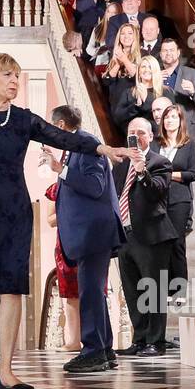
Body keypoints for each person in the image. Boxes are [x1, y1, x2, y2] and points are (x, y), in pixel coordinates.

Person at [0, 52, 123, 389]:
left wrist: (101, 149)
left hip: (15, 211)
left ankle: (5, 370)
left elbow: (63, 137)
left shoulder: (23, 119)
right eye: (7, 75)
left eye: (17, 76)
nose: (14, 81)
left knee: (12, 287)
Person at [42, 105, 122, 374]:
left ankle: (93, 352)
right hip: (88, 234)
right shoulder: (77, 148)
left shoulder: (86, 143)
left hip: (94, 232)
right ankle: (104, 349)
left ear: (61, 125)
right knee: (92, 292)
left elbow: (95, 185)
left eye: (53, 127)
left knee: (89, 292)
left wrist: (60, 170)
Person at [112, 117, 176, 357]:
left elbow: (156, 193)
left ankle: (156, 341)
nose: (136, 136)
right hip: (125, 236)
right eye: (131, 133)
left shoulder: (160, 162)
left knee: (154, 291)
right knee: (132, 291)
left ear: (150, 136)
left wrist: (142, 172)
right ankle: (139, 339)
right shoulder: (119, 166)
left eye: (140, 132)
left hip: (151, 236)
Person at [152, 104, 195, 307]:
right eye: (166, 117)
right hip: (158, 198)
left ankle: (179, 289)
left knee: (177, 242)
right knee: (162, 243)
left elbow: (192, 174)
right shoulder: (156, 144)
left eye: (173, 117)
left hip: (180, 199)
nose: (169, 120)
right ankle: (166, 289)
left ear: (180, 121)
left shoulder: (188, 144)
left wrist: (170, 176)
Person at [44, 183, 82, 352]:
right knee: (71, 293)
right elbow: (50, 220)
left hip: (90, 239)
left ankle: (96, 340)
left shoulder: (90, 182)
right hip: (66, 245)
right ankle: (74, 340)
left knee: (95, 291)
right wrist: (70, 211)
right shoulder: (57, 188)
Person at [157, 39, 195, 143]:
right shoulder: (155, 75)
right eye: (165, 51)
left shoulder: (193, 74)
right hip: (163, 130)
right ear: (160, 54)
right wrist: (155, 82)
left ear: (178, 53)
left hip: (188, 130)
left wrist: (193, 91)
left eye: (171, 50)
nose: (168, 53)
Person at [114, 56, 175, 131]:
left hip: (159, 136)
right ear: (139, 71)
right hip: (135, 135)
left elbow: (170, 116)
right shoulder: (129, 92)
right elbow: (118, 118)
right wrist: (136, 106)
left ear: (155, 70)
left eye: (150, 67)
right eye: (143, 67)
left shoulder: (166, 92)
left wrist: (146, 99)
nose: (146, 70)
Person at [102, 22, 142, 127]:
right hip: (115, 106)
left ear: (135, 36)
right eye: (122, 34)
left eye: (129, 33)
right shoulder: (114, 55)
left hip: (132, 108)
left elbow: (137, 77)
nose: (126, 36)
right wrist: (117, 64)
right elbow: (106, 81)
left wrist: (124, 59)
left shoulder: (142, 55)